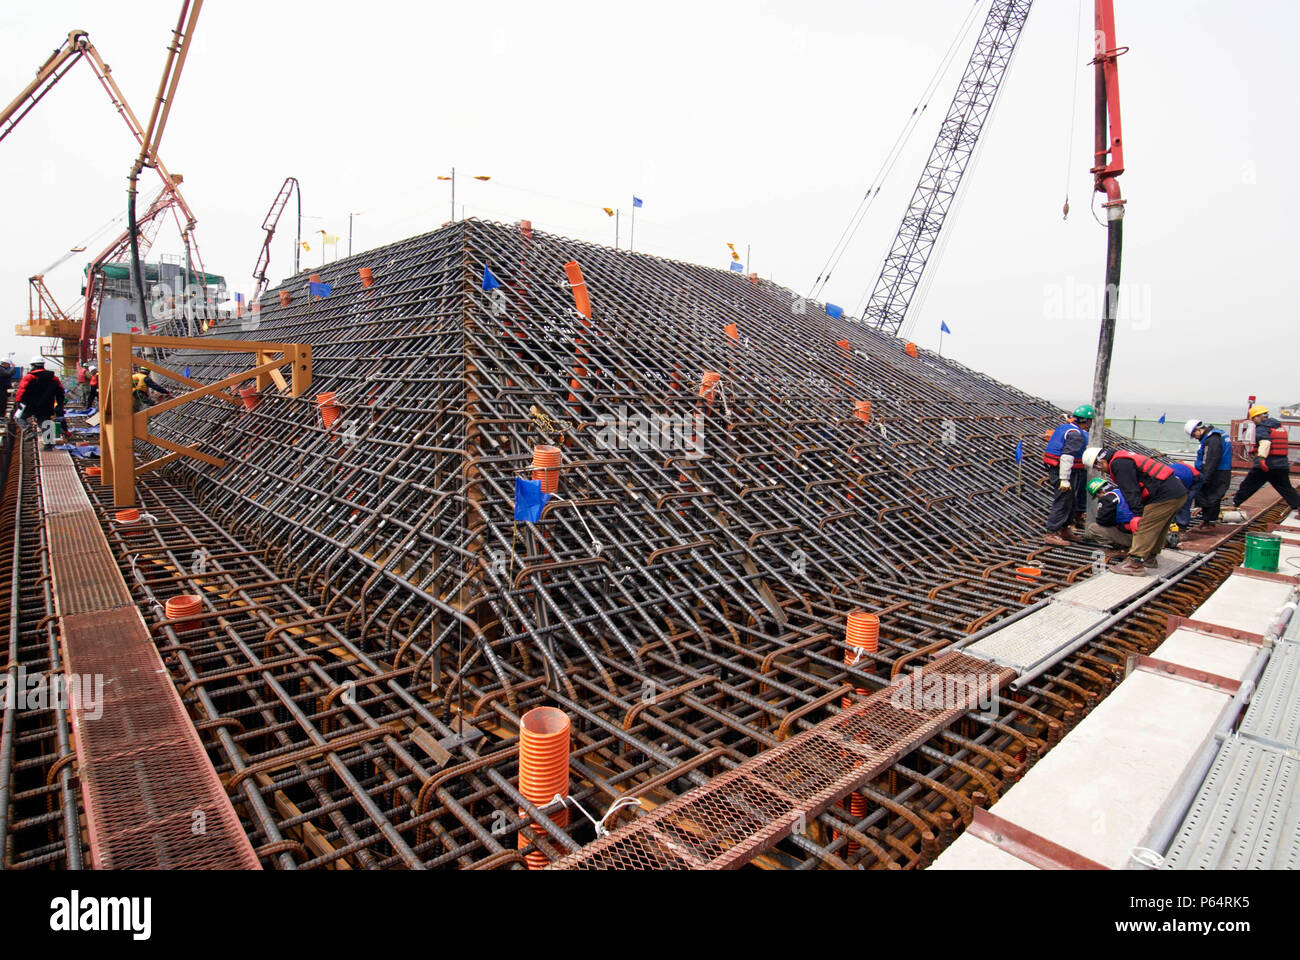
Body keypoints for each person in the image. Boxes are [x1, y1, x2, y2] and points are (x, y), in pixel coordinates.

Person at [1083, 446, 1188, 576]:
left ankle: (1135, 564)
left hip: (1164, 495)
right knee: (1159, 526)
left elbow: (1131, 491)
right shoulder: (1122, 458)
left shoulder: (1118, 464)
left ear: (1100, 462)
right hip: (1176, 493)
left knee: (1146, 526)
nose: (1101, 470)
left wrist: (1137, 515)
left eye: (1098, 468)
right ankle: (1149, 557)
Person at [1230, 404, 1300, 512]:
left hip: (1266, 465)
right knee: (1286, 488)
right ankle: (1298, 507)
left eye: (1253, 419)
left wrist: (1261, 458)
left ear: (1257, 417)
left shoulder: (1262, 427)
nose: (1253, 422)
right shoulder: (1279, 426)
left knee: (1248, 485)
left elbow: (1265, 442)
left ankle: (1235, 504)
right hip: (1281, 465)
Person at [1042, 403, 1094, 546]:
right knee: (1063, 500)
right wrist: (1064, 479)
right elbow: (1067, 456)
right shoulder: (1076, 435)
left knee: (1071, 500)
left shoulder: (1065, 427)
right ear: (1088, 421)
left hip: (1064, 469)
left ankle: (1065, 529)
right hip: (1062, 470)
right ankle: (1051, 533)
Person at [1185, 418, 1233, 529]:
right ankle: (1208, 521)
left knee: (1209, 496)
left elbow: (1211, 460)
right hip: (1220, 471)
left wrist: (1204, 478)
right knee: (1212, 497)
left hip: (1217, 472)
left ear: (1197, 430)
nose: (1196, 438)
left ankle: (1209, 522)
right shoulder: (1217, 434)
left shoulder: (1212, 439)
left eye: (1194, 435)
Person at [12, 357, 65, 450]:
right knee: (44, 423)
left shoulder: (29, 377)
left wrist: (19, 402)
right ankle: (48, 445)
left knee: (18, 417)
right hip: (46, 405)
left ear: (33, 366)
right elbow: (60, 392)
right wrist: (60, 404)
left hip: (30, 405)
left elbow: (21, 391)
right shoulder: (53, 378)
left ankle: (29, 431)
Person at [1084, 477, 1139, 554]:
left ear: (1101, 492)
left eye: (1097, 496)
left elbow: (1103, 520)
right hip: (1143, 534)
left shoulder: (1107, 498)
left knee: (1093, 528)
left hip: (1132, 537)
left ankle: (1124, 548)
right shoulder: (1122, 490)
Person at [1167, 462, 1200, 547]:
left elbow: (1182, 495)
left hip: (1195, 478)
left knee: (1184, 503)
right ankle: (1172, 525)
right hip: (1181, 472)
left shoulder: (1184, 481)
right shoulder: (1162, 479)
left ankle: (1182, 528)